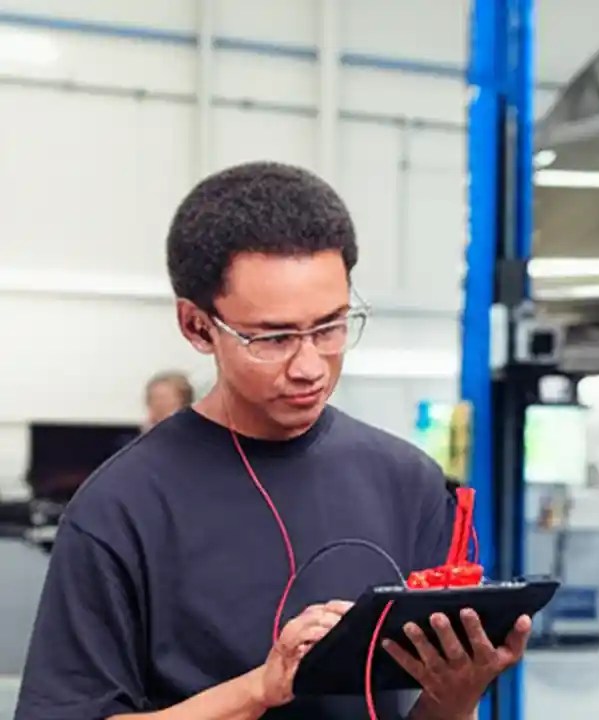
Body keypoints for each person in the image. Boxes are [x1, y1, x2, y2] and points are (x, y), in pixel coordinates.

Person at [16, 161, 530, 720]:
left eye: (330, 326)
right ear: (196, 326)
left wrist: (455, 696)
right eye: (274, 338)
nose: (310, 366)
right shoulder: (121, 508)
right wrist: (259, 689)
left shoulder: (407, 482)